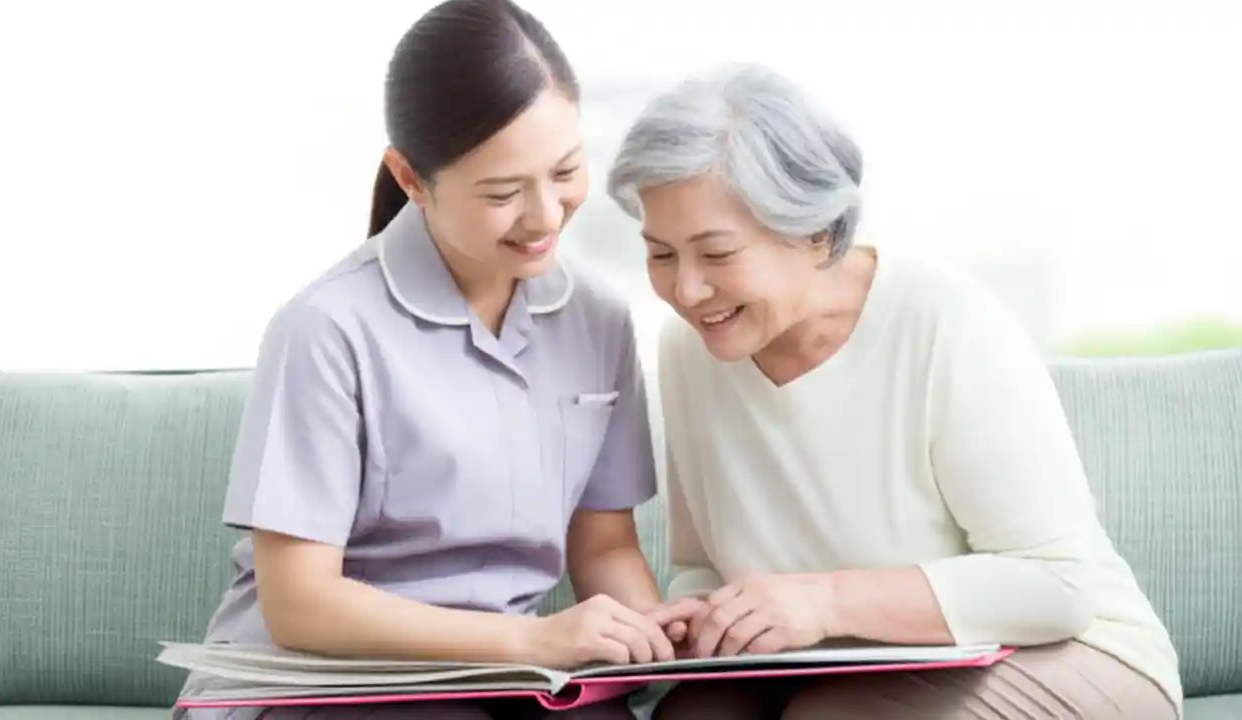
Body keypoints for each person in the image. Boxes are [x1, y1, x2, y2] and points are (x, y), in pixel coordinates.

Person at [606, 63, 1182, 719]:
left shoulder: (945, 323)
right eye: (661, 254)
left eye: (717, 254)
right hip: (841, 666)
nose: (686, 291)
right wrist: (702, 615)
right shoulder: (690, 348)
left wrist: (824, 602)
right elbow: (703, 564)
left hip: (1068, 652)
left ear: (815, 232)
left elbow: (1057, 584)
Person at [178, 2, 697, 718]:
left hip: (502, 675)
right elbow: (299, 604)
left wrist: (653, 636)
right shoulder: (326, 327)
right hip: (324, 681)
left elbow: (604, 547)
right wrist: (532, 640)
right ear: (412, 178)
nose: (546, 214)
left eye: (565, 171)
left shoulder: (597, 318)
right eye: (503, 192)